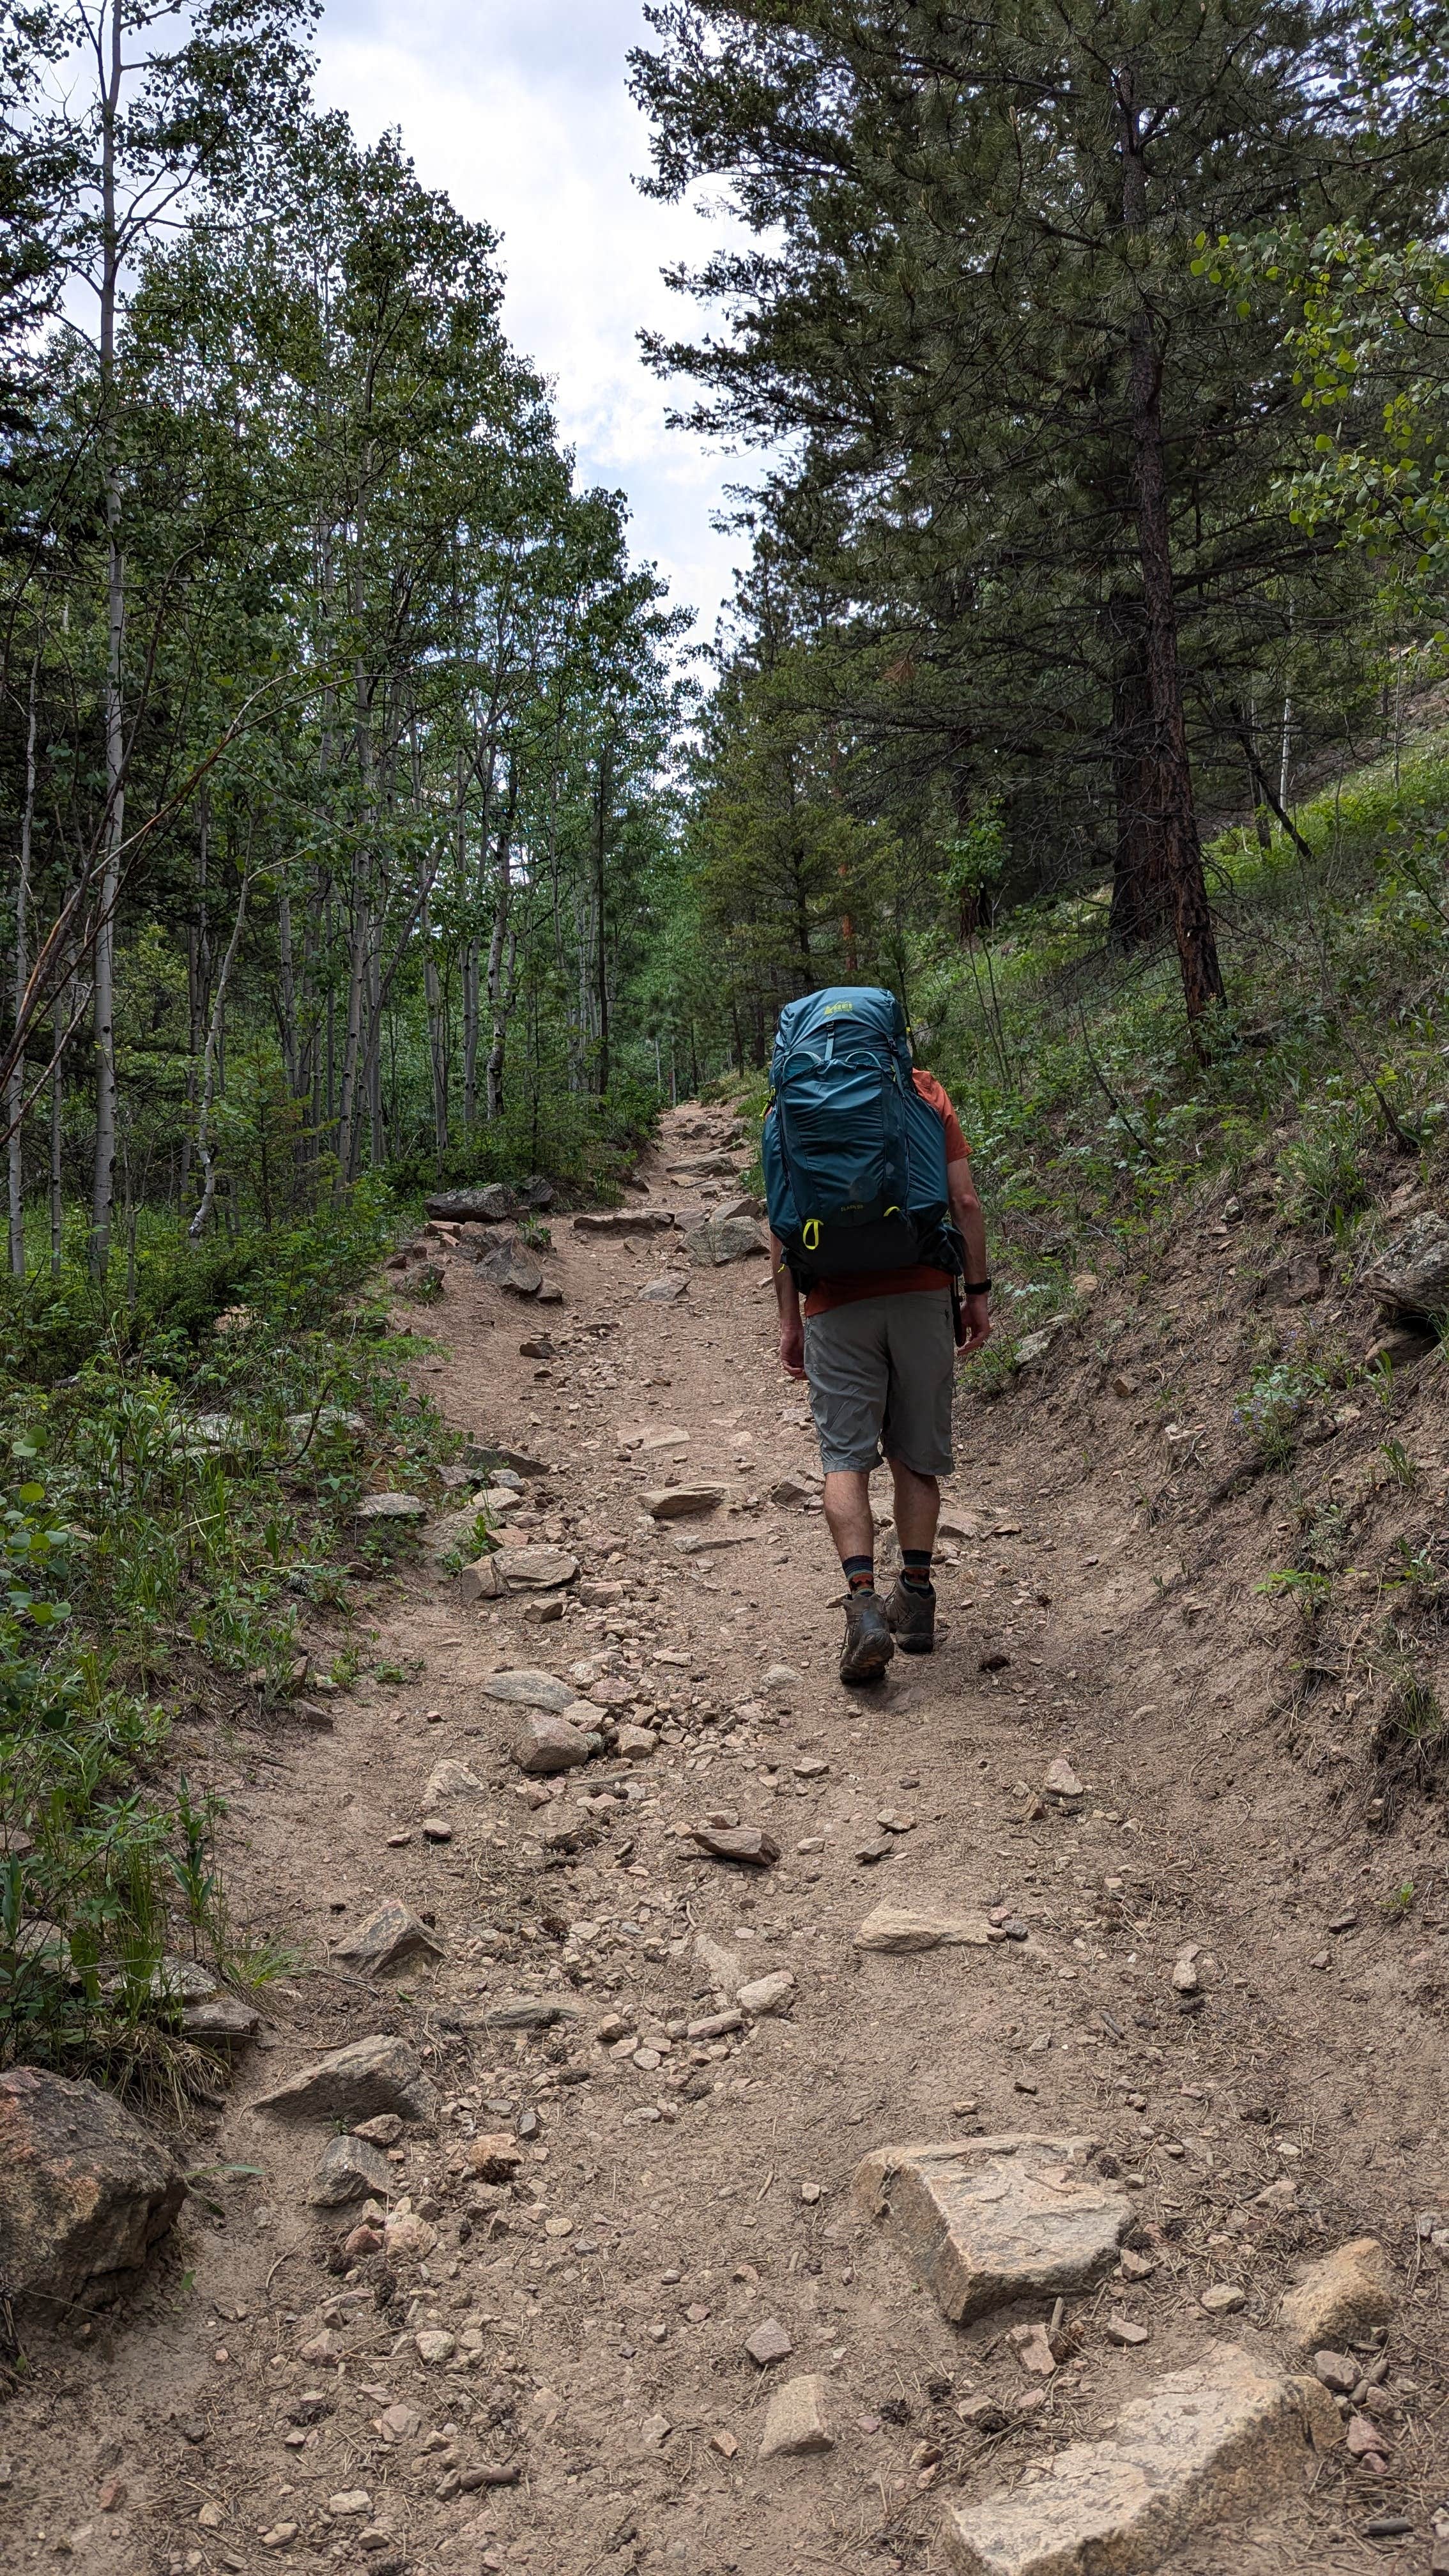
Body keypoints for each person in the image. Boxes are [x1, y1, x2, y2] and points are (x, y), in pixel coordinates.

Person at [770, 1061, 991, 1683]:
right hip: (923, 1289)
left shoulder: (789, 1100)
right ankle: (916, 1600)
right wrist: (976, 1291)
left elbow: (783, 1226)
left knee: (845, 1459)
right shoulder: (923, 1090)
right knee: (915, 1457)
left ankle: (863, 1605)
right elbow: (965, 1200)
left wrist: (789, 1321)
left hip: (836, 1301)